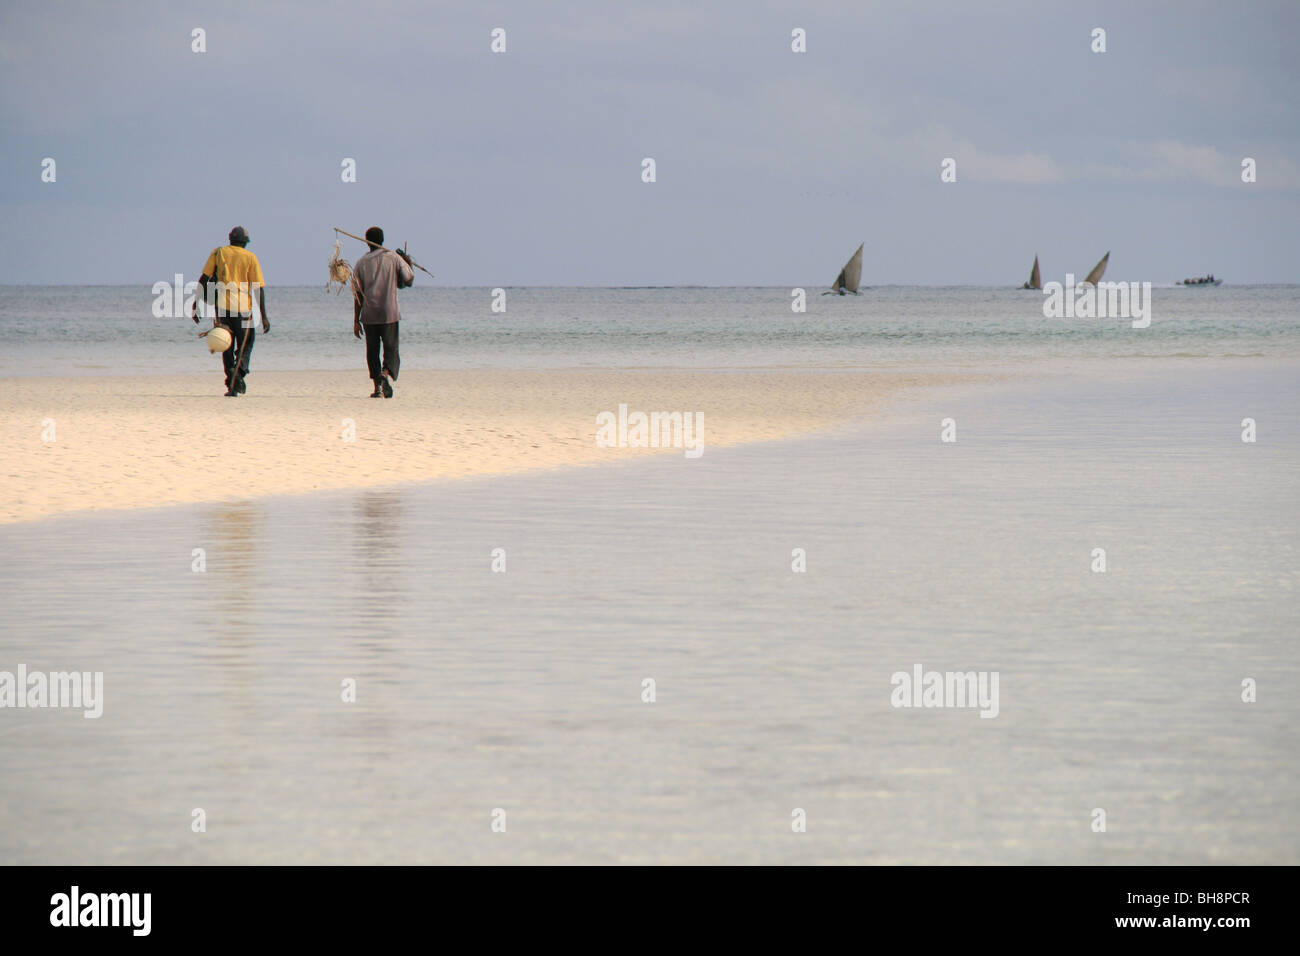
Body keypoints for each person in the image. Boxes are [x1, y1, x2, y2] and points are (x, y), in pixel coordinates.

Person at [191, 226, 269, 396]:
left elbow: (203, 279)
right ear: (245, 242)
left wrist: (196, 304)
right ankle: (239, 373)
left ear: (230, 239)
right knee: (246, 344)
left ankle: (231, 386)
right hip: (242, 309)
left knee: (226, 344)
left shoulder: (218, 253)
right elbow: (258, 289)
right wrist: (264, 316)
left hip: (222, 309)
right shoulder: (250, 257)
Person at [351, 226, 413, 398]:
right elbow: (408, 279)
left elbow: (357, 294)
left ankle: (377, 388)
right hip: (389, 312)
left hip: (369, 314)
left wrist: (356, 320)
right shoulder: (393, 257)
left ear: (366, 242)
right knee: (391, 349)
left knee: (372, 352)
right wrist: (407, 261)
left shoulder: (361, 263)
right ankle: (384, 375)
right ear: (382, 240)